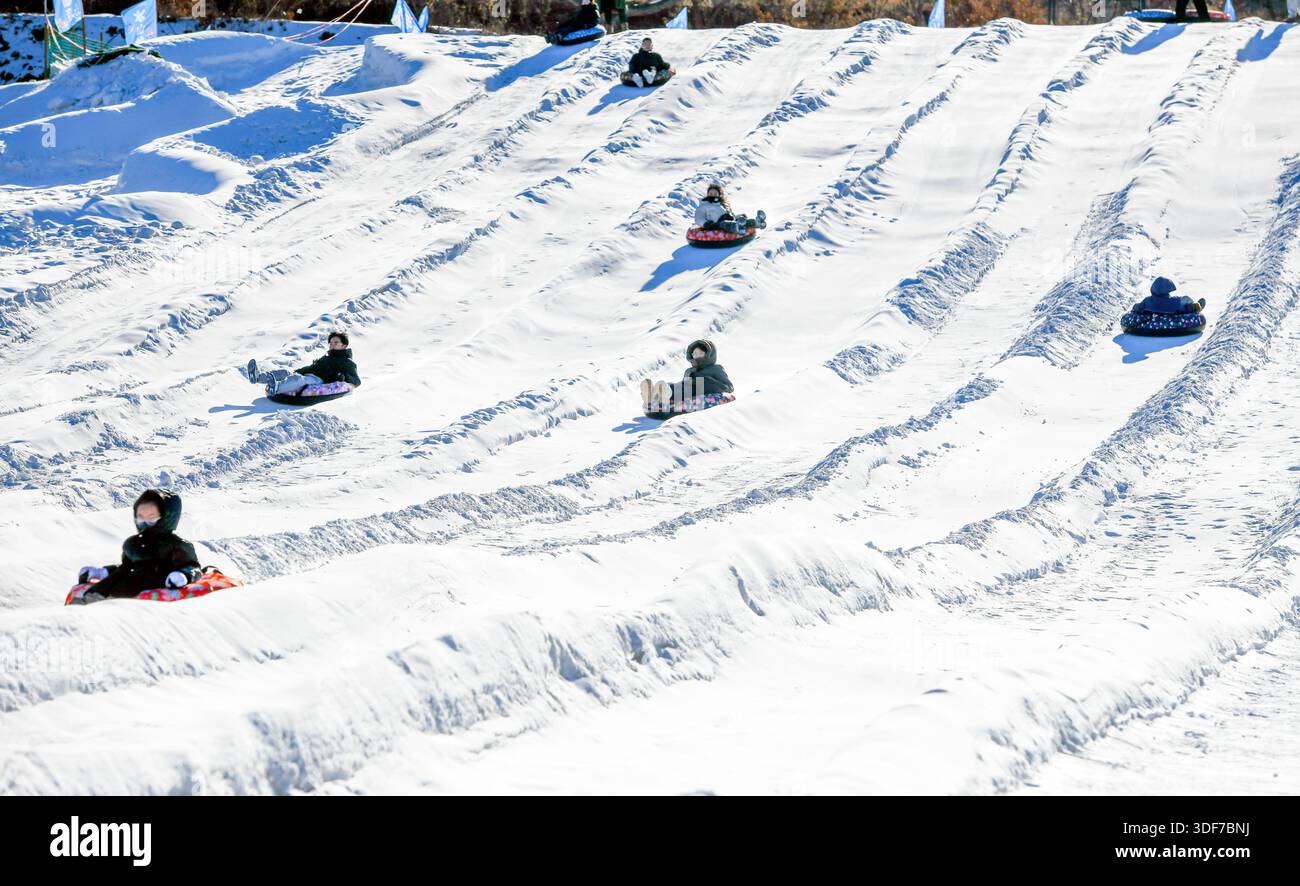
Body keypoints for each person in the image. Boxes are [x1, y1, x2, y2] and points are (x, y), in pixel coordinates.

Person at [72, 489, 202, 605]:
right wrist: (102, 573)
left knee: (143, 574)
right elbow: (126, 567)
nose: (144, 523)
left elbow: (192, 566)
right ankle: (92, 597)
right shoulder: (133, 544)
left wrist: (184, 575)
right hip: (132, 580)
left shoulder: (176, 544)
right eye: (140, 518)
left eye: (151, 517)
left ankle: (107, 601)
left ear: (167, 517)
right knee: (125, 573)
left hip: (161, 578)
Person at [246, 331, 361, 397]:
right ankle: (258, 377)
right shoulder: (327, 358)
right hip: (310, 375)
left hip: (321, 381)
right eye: (330, 343)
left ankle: (276, 388)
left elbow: (356, 381)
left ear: (344, 345)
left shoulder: (347, 362)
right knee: (286, 372)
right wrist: (297, 371)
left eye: (336, 343)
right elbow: (312, 368)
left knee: (299, 379)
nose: (332, 345)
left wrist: (341, 377)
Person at [641, 339, 734, 410]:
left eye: (700, 353)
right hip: (690, 390)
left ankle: (665, 394)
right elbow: (684, 385)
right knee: (676, 387)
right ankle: (653, 395)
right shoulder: (690, 370)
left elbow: (729, 387)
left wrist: (711, 381)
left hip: (705, 390)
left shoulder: (716, 369)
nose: (696, 356)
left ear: (708, 355)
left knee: (690, 387)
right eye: (695, 354)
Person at [694, 183, 766, 235]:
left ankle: (757, 222)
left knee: (740, 220)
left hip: (729, 220)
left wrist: (738, 216)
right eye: (711, 193)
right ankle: (737, 227)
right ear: (707, 194)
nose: (713, 194)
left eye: (715, 193)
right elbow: (699, 217)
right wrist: (705, 223)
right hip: (715, 225)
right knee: (724, 223)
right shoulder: (704, 205)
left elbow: (731, 215)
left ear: (719, 195)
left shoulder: (722, 204)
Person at [1133, 277, 1206, 314]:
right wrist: (1192, 305)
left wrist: (1135, 307)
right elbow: (1184, 305)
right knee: (1186, 300)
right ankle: (1197, 306)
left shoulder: (1147, 300)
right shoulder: (1175, 302)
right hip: (1175, 314)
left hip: (1155, 315)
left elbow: (1138, 307)